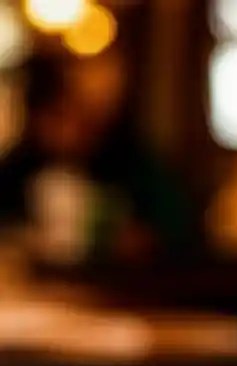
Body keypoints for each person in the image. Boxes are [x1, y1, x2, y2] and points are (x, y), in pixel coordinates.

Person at [0, 48, 201, 267]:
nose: (66, 130)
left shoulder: (130, 162)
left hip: (122, 290)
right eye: (55, 116)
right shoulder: (19, 168)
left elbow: (180, 230)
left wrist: (142, 240)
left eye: (76, 114)